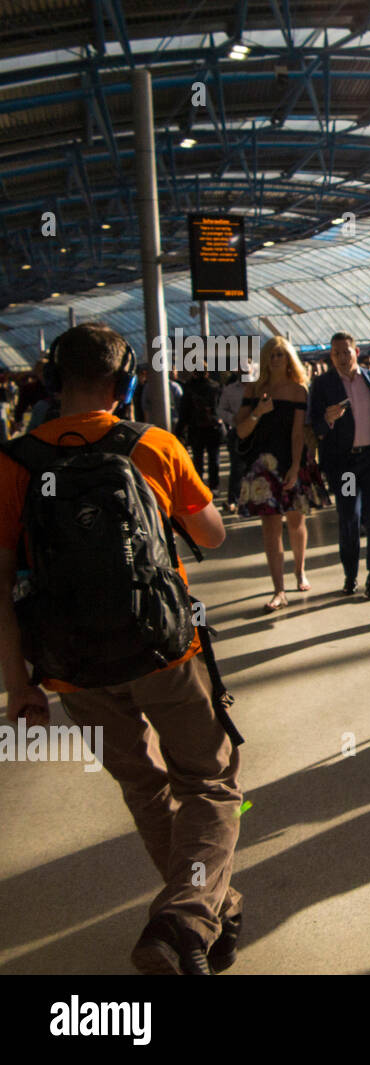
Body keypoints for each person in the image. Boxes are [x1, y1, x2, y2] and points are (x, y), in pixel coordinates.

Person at [0, 322, 240, 974]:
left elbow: (1, 584)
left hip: (71, 669)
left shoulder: (13, 462)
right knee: (212, 783)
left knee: (143, 786)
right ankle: (189, 914)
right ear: (126, 379)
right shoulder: (152, 446)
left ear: (55, 380)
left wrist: (19, 684)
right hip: (162, 648)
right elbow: (212, 535)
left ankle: (200, 907)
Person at [309, 332, 370, 600]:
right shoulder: (323, 384)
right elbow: (314, 425)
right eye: (336, 353)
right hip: (346, 464)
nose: (342, 357)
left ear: (356, 351)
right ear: (331, 356)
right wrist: (328, 419)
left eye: (346, 351)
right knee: (350, 517)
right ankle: (350, 574)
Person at [236, 336, 327, 611]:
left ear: (289, 358)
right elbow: (240, 431)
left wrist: (296, 466)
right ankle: (279, 590)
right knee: (269, 527)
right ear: (265, 359)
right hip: (262, 465)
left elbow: (298, 432)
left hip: (291, 461)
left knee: (296, 521)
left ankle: (299, 570)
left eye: (281, 354)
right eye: (272, 354)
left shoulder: (299, 390)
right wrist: (258, 413)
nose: (276, 359)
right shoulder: (253, 389)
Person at [181, 369, 223, 490]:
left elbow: (184, 411)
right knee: (214, 459)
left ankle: (198, 486)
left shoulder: (189, 388)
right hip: (213, 428)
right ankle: (214, 486)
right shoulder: (215, 387)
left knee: (198, 460)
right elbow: (220, 407)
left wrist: (180, 431)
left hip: (195, 429)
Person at [217, 370, 247, 513]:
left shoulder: (260, 387)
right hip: (237, 431)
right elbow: (221, 409)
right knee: (237, 467)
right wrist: (232, 418)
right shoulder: (229, 390)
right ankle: (233, 501)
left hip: (258, 432)